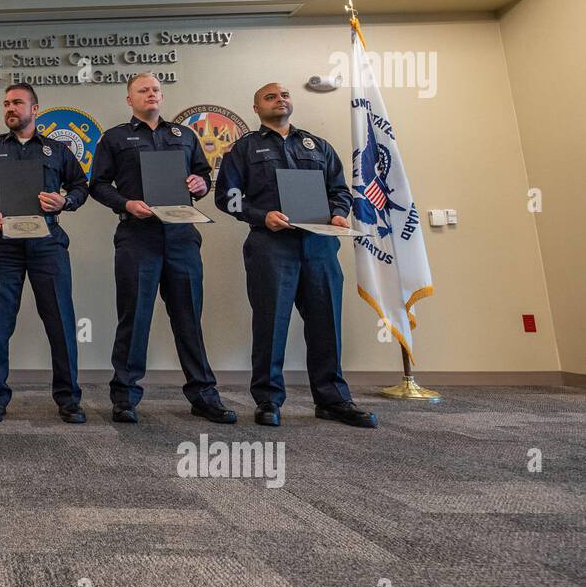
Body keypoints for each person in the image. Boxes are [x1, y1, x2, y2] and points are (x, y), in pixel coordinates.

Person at [215, 82, 377, 428]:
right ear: (256, 108)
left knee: (326, 322)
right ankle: (269, 399)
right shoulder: (242, 149)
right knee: (271, 323)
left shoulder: (318, 146)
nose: (280, 100)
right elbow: (227, 198)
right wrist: (261, 216)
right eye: (270, 97)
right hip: (271, 246)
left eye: (284, 95)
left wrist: (338, 212)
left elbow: (339, 190)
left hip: (319, 246)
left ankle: (332, 398)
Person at [89, 73, 235, 424]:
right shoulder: (115, 138)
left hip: (182, 237)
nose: (150, 94)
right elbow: (98, 185)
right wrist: (126, 204)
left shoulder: (183, 136)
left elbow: (201, 179)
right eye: (142, 90)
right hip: (137, 236)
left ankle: (203, 395)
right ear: (130, 100)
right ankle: (124, 397)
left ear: (161, 96)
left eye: (155, 89)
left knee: (189, 319)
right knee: (134, 318)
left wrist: (200, 184)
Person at [0, 82, 89, 424]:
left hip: (47, 245)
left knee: (61, 322)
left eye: (17, 102)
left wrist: (66, 201)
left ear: (35, 109)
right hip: (3, 247)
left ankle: (69, 399)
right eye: (6, 103)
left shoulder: (57, 150)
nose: (10, 108)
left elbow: (81, 186)